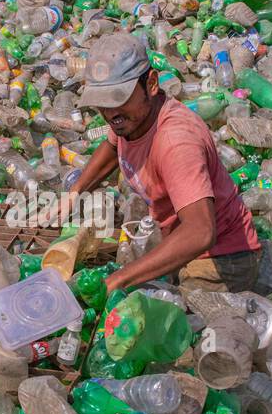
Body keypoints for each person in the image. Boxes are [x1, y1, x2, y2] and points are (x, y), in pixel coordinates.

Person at [57, 31, 261, 295]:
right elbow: (111, 145)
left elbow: (200, 231)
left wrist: (119, 280)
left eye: (118, 99)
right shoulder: (131, 120)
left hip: (221, 259)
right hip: (176, 240)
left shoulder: (175, 142)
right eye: (102, 104)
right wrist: (75, 193)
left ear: (151, 83)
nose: (110, 114)